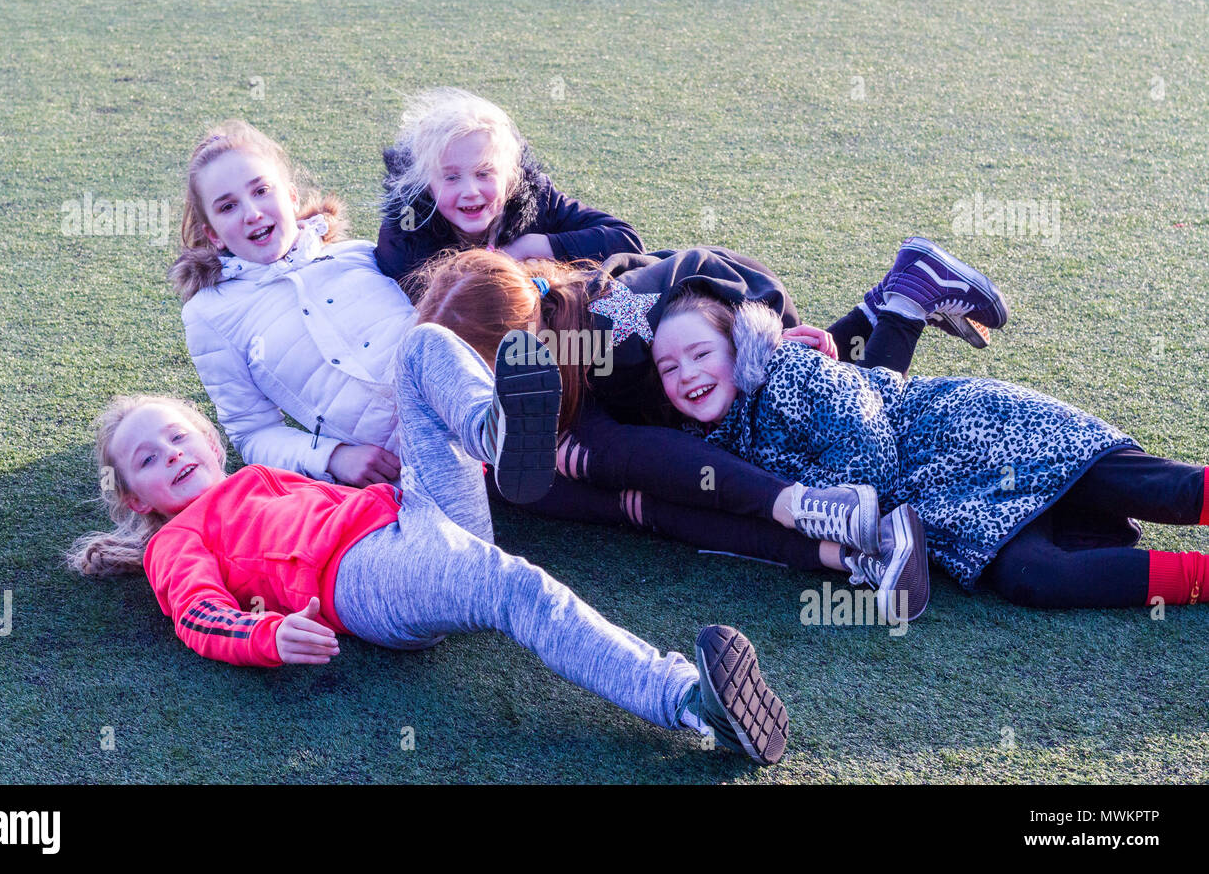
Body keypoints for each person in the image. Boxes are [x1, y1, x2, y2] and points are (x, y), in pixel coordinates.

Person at [65, 327, 792, 765]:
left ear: (207, 440)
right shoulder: (176, 540)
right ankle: (691, 702)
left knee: (420, 349)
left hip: (414, 518)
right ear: (136, 498)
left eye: (176, 436)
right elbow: (199, 615)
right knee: (518, 589)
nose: (171, 455)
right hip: (366, 577)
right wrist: (265, 632)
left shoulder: (259, 475)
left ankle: (496, 435)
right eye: (148, 461)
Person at [413, 241, 1003, 611]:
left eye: (479, 369)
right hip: (703, 384)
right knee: (619, 477)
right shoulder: (555, 350)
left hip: (734, 327)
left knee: (851, 425)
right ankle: (879, 309)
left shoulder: (611, 338)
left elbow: (694, 269)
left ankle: (906, 298)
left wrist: (757, 326)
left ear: (524, 345)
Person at [650, 289, 1209, 610]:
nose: (688, 375)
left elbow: (869, 447)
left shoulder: (786, 370)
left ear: (735, 347)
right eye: (668, 367)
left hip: (974, 431)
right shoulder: (711, 449)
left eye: (701, 354)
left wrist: (826, 511)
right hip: (955, 508)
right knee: (1033, 579)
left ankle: (910, 293)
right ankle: (1200, 579)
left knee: (1162, 490)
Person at [169, 119, 413, 488]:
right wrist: (333, 456)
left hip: (462, 397)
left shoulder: (360, 255)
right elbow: (253, 432)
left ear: (292, 197)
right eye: (228, 207)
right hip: (405, 462)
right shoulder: (210, 315)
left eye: (262, 190)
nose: (252, 212)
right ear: (213, 235)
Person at [375, 87, 644, 286]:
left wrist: (532, 247)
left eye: (484, 173)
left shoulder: (538, 200)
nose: (470, 190)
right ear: (426, 185)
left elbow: (627, 241)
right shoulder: (405, 231)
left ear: (511, 176)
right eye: (451, 177)